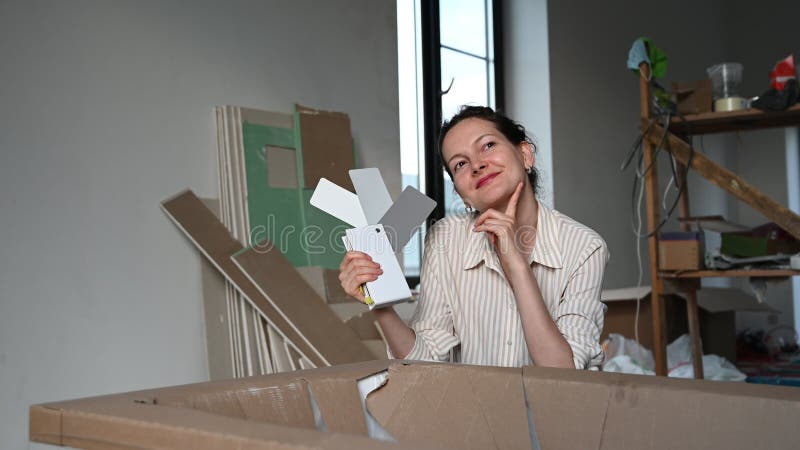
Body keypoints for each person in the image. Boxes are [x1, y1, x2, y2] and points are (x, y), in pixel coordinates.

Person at [338, 106, 609, 369]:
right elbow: (425, 365)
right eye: (460, 164)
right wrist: (379, 302)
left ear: (525, 154)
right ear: (461, 193)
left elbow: (562, 373)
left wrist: (516, 266)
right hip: (470, 412)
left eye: (488, 145)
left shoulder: (585, 247)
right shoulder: (445, 238)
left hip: (549, 414)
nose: (477, 165)